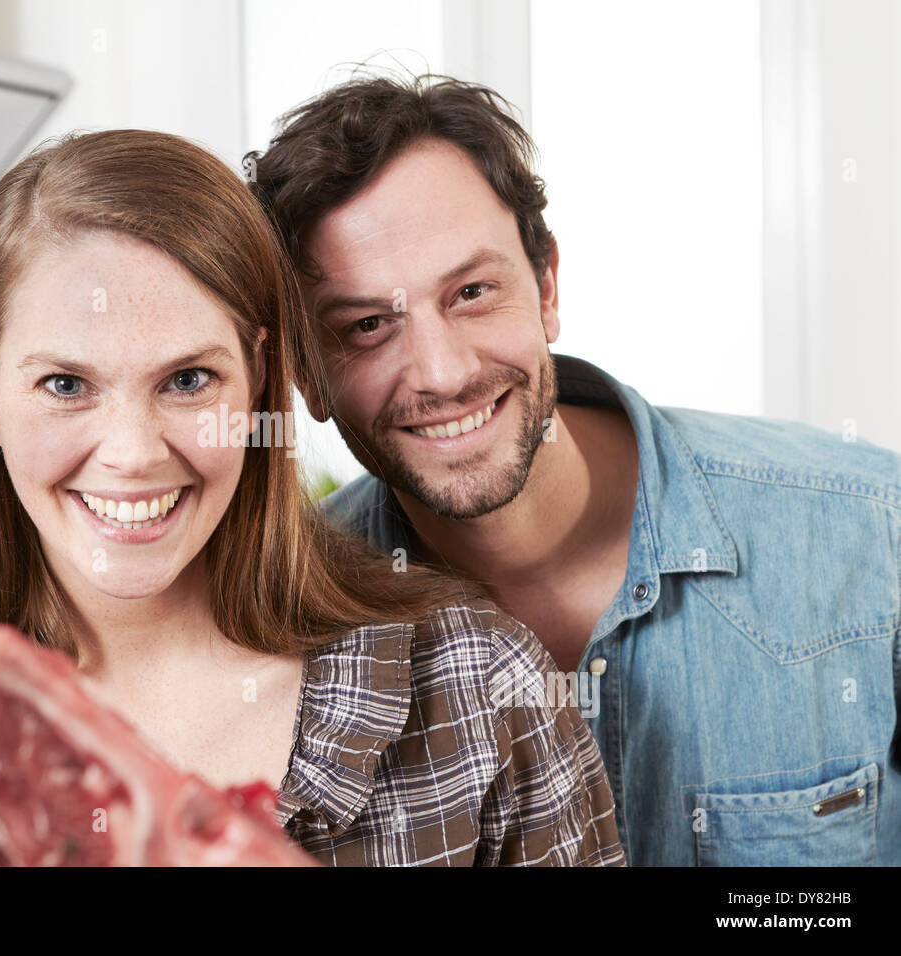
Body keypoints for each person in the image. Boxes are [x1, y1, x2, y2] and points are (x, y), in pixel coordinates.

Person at [246, 70, 901, 866]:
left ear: (547, 285)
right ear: (306, 376)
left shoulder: (873, 532)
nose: (442, 373)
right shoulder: (279, 625)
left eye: (473, 291)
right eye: (369, 325)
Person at [0, 127, 625, 866]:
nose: (133, 454)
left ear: (259, 379)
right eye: (65, 385)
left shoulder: (476, 685)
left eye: (188, 380)